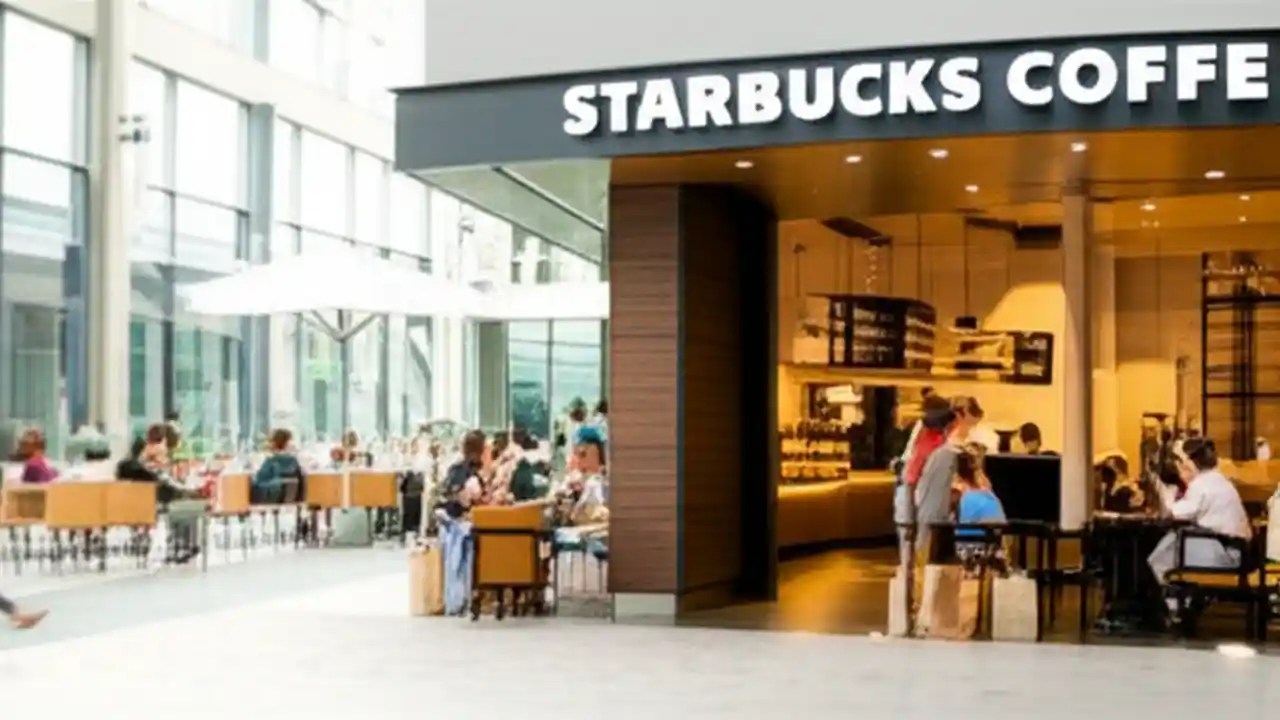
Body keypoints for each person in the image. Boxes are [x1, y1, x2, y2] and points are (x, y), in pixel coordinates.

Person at [1148, 438, 1250, 590]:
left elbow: (1172, 513)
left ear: (1189, 463)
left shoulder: (1201, 485)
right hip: (1233, 551)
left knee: (1161, 557)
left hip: (1221, 552)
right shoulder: (1217, 480)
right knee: (1171, 543)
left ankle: (1173, 605)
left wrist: (1163, 488)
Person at [253, 429, 306, 504]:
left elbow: (260, 481)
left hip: (272, 496)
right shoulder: (293, 461)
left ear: (273, 443)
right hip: (293, 498)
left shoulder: (271, 461)